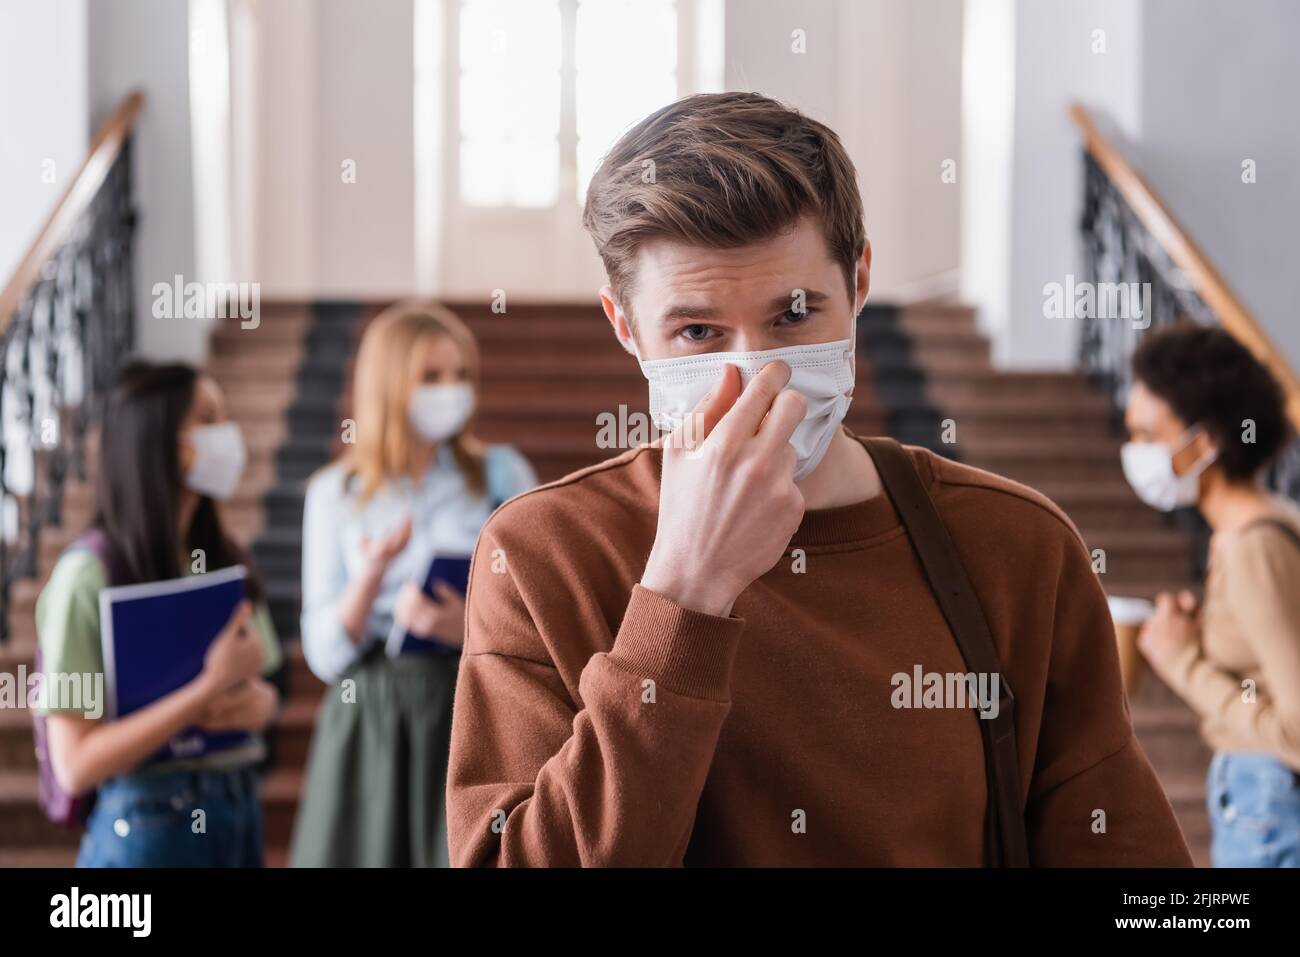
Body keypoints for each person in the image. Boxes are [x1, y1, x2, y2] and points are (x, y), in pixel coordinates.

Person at [445, 92, 1193, 866]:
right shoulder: (541, 555)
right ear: (625, 324)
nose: (758, 372)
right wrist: (683, 597)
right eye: (697, 331)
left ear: (859, 280)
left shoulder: (1015, 545)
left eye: (794, 315)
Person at [290, 300, 536, 867]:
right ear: (388, 384)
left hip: (471, 703)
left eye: (461, 375)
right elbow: (325, 654)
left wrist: (469, 629)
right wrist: (372, 576)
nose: (451, 390)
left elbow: (536, 611)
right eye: (431, 376)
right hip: (369, 713)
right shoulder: (335, 492)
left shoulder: (503, 474)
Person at [36, 361, 282, 867]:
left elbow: (262, 696)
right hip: (146, 828)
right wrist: (205, 692)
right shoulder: (85, 577)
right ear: (156, 440)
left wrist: (258, 704)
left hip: (236, 810)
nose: (227, 435)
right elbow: (75, 765)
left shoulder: (224, 554)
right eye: (207, 419)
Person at [1125, 322, 1300, 867]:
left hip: (1270, 804)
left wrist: (1182, 661)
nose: (1134, 452)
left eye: (1148, 435)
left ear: (1202, 444)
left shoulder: (1254, 548)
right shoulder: (1255, 531)